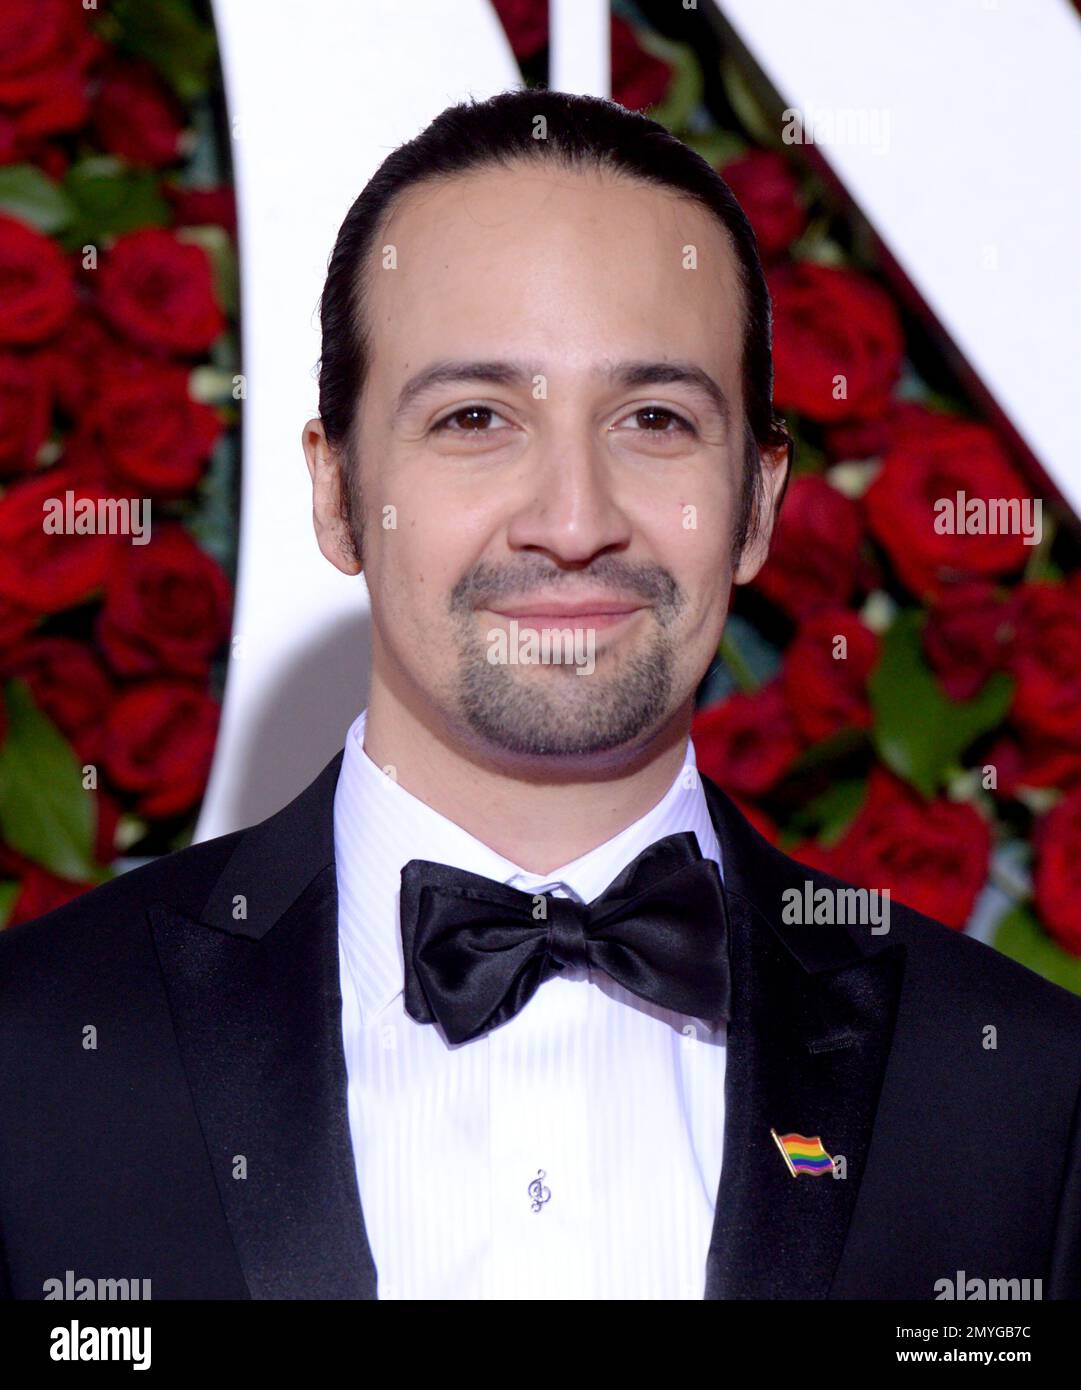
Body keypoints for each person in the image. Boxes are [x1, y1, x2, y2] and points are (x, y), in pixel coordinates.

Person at [1, 89, 1079, 1302]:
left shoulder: (1022, 1091)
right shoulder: (31, 1053)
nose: (573, 520)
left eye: (654, 419)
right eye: (475, 417)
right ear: (337, 491)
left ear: (758, 503)